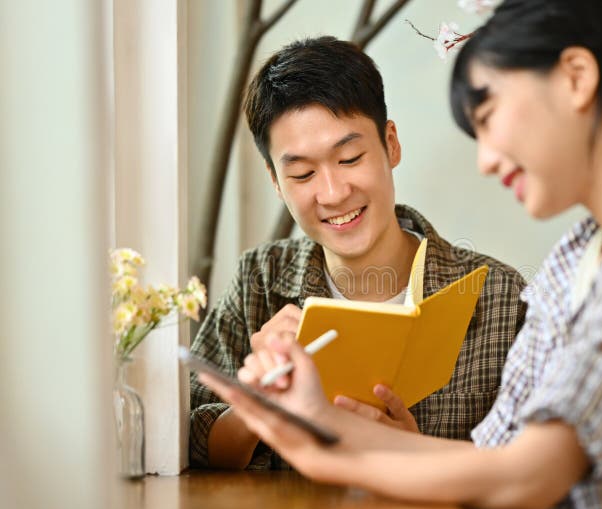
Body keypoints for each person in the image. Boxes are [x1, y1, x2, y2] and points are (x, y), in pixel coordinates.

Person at [198, 0, 602, 509]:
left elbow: (532, 477)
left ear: (576, 78)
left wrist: (323, 453)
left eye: (488, 118)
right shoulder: (574, 259)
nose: (485, 160)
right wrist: (304, 415)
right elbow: (497, 457)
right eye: (303, 173)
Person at [189, 36, 527, 471]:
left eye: (349, 158)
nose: (332, 193)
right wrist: (260, 404)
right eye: (303, 174)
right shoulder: (260, 280)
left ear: (391, 144)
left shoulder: (500, 298)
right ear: (276, 182)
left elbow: (532, 477)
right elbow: (186, 438)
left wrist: (415, 455)